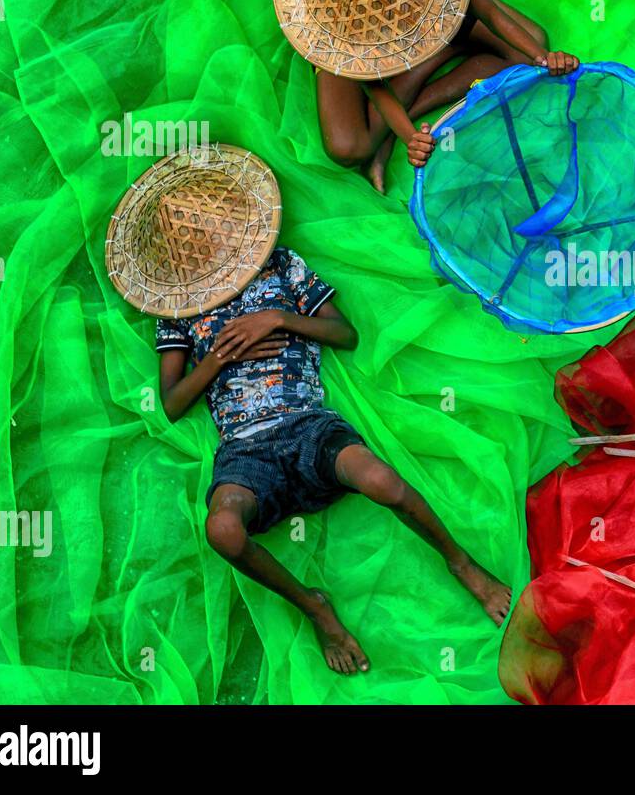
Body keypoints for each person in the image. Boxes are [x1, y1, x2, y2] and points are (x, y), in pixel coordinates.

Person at [156, 245, 512, 675]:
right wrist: (218, 357)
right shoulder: (177, 303)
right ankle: (315, 608)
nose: (206, 243)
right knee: (223, 531)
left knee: (382, 481)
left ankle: (460, 562)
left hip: (308, 425)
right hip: (244, 448)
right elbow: (173, 403)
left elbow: (347, 336)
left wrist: (279, 318)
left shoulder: (278, 262)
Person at [317, 0, 580, 192]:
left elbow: (490, 14)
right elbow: (375, 85)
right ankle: (439, 53)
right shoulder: (342, 17)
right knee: (348, 148)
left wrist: (544, 58)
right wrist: (410, 137)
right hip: (356, 46)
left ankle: (439, 50)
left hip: (435, 17)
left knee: (529, 47)